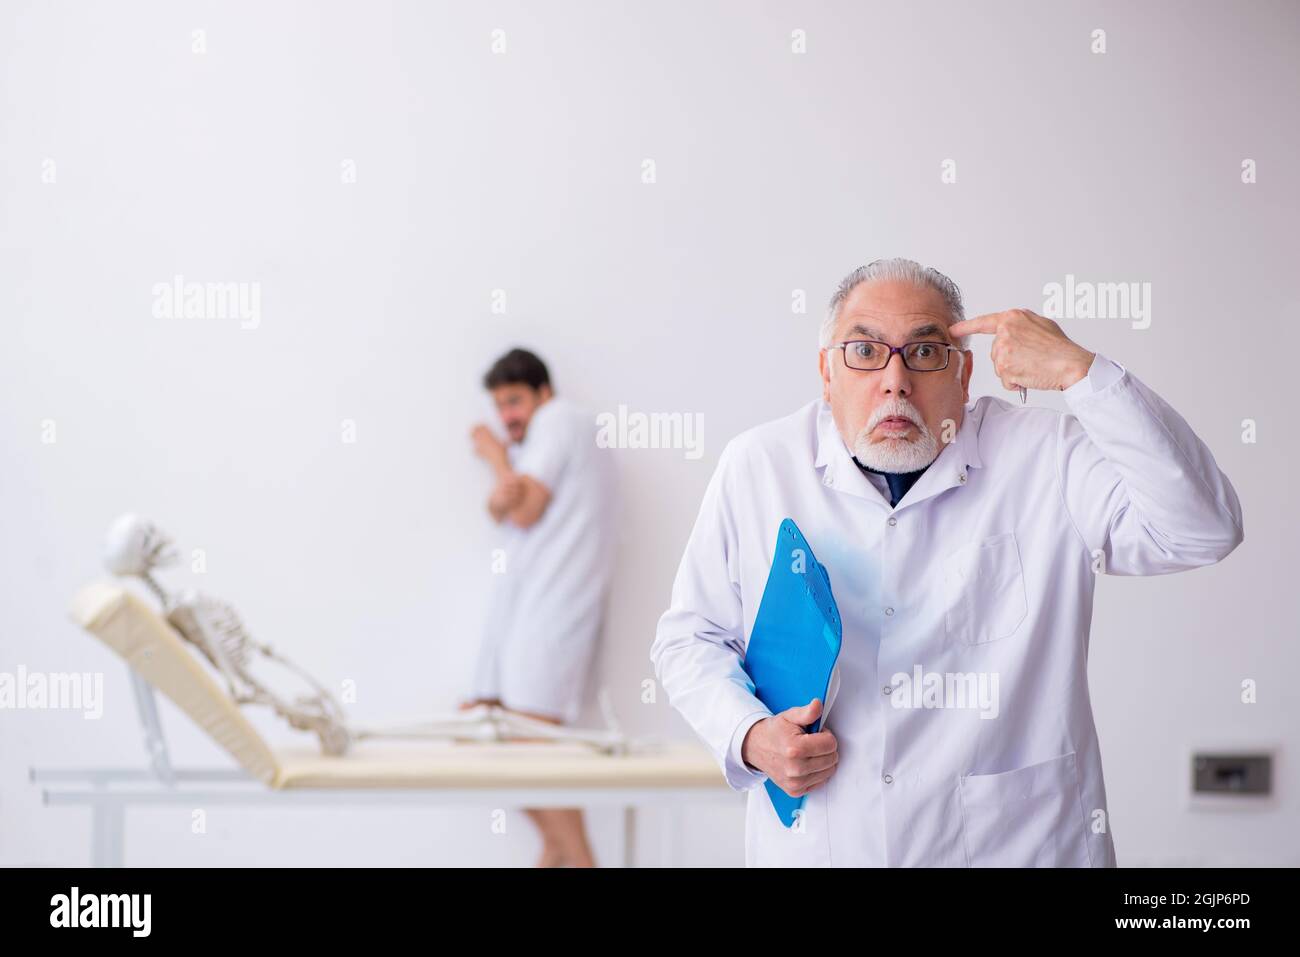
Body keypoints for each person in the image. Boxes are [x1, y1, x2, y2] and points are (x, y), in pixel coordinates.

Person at [650, 258, 1243, 866]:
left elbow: (1202, 530)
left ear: (964, 376)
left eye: (926, 352)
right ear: (826, 373)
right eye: (864, 351)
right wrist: (750, 738)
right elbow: (689, 638)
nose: (895, 380)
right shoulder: (759, 466)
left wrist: (1079, 372)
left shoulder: (1046, 457)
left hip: (1019, 846)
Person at [465, 348, 616, 867]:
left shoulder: (558, 421)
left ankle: (581, 858)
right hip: (536, 618)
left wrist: (492, 455)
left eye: (514, 400)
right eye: (498, 405)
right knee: (493, 741)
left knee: (525, 755)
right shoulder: (547, 439)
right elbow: (502, 504)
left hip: (550, 618)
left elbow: (523, 508)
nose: (506, 415)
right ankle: (563, 852)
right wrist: (502, 482)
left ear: (542, 393)